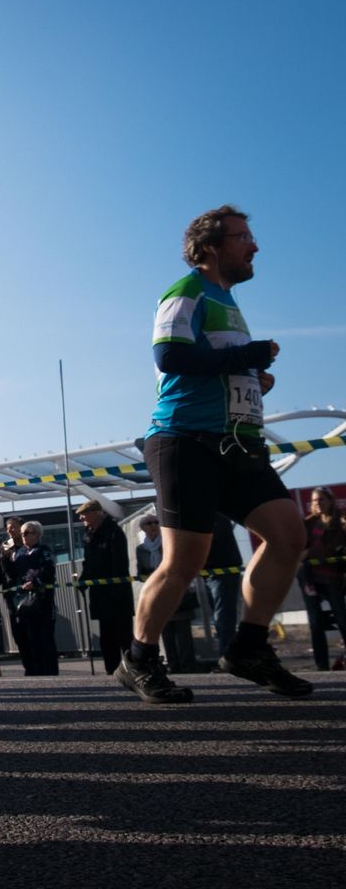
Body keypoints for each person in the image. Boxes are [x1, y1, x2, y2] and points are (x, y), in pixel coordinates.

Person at [118, 205, 310, 703]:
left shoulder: (226, 300)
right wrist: (244, 358)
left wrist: (251, 378)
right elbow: (170, 357)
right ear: (210, 247)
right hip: (184, 441)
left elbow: (212, 365)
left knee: (288, 535)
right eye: (243, 236)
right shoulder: (185, 291)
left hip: (235, 444)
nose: (254, 245)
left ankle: (247, 648)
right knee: (185, 561)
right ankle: (138, 659)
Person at [0, 520, 58, 676]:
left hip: (40, 602)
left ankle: (47, 672)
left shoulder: (43, 550)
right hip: (17, 602)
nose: (22, 535)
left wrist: (35, 582)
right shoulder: (10, 550)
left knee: (43, 637)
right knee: (22, 637)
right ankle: (31, 670)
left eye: (26, 532)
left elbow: (48, 570)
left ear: (37, 534)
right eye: (22, 533)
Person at [133, 515, 198, 673]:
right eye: (149, 523)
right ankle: (173, 664)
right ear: (143, 528)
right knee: (165, 631)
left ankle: (188, 665)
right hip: (157, 592)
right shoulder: (141, 549)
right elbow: (141, 571)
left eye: (156, 522)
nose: (153, 525)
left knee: (183, 631)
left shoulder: (169, 543)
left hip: (176, 590)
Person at [77, 502, 135, 674]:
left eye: (84, 514)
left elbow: (119, 563)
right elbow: (89, 562)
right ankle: (112, 669)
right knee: (107, 635)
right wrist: (84, 579)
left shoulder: (113, 532)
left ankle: (131, 669)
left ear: (96, 513)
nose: (81, 518)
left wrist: (113, 586)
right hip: (101, 594)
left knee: (124, 634)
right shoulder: (89, 534)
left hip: (116, 593)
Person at [300, 487, 345, 670]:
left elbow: (334, 546)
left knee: (342, 619)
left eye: (321, 499)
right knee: (316, 623)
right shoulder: (307, 523)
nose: (317, 503)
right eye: (314, 500)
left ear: (331, 501)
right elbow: (297, 550)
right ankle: (322, 667)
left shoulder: (340, 521)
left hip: (333, 576)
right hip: (309, 578)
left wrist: (309, 552)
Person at [203, 514, 243, 657]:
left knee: (223, 615)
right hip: (210, 570)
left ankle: (227, 654)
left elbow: (212, 538)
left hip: (222, 568)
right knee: (220, 615)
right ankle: (228, 652)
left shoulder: (216, 515)